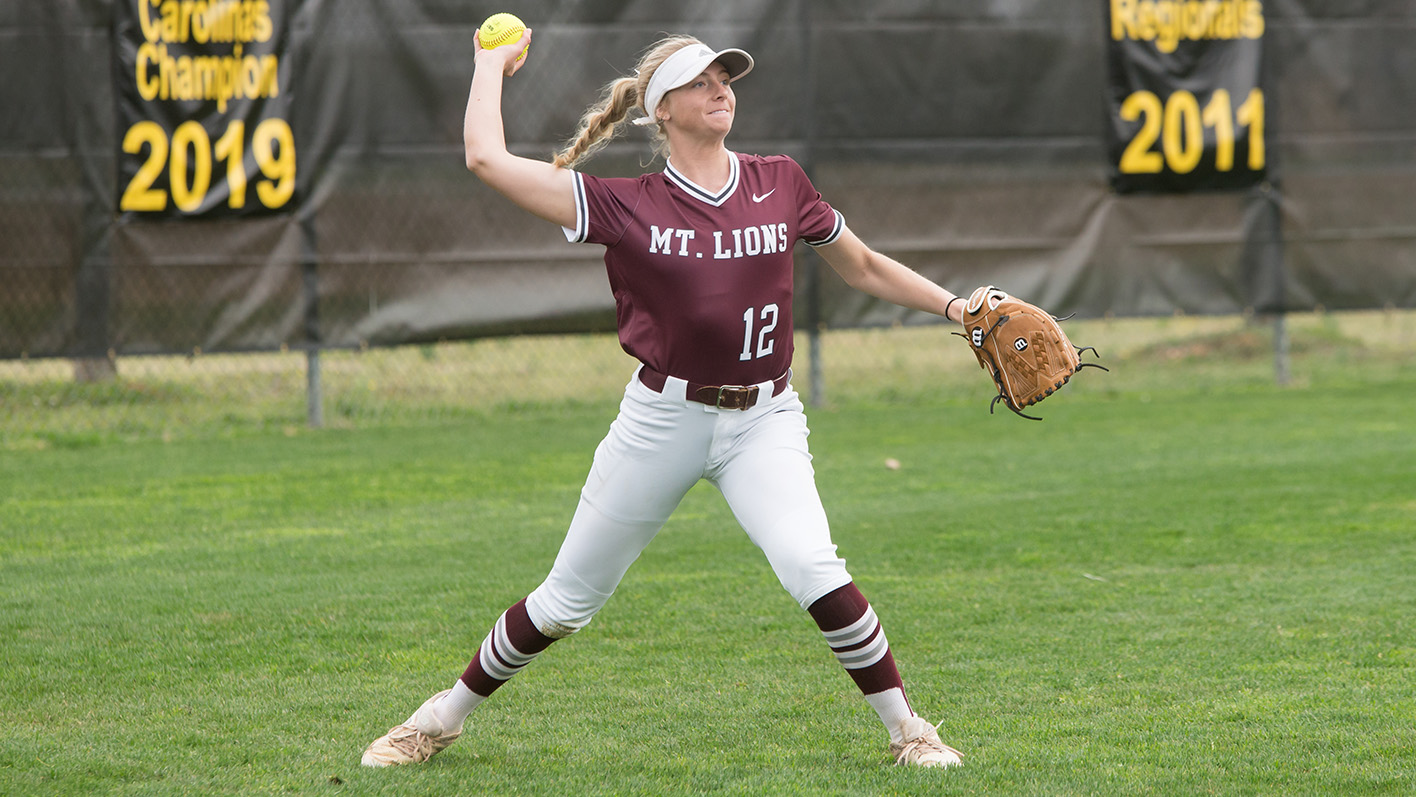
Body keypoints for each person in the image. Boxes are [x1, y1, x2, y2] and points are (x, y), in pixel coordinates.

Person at [362, 28, 972, 769]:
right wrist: (490, 64)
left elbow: (866, 266)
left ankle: (911, 730)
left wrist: (959, 311)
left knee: (815, 567)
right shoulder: (626, 205)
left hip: (765, 419)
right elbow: (485, 159)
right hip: (662, 418)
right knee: (564, 603)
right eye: (699, 81)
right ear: (662, 109)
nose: (720, 88)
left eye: (725, 76)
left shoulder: (781, 182)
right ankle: (437, 719)